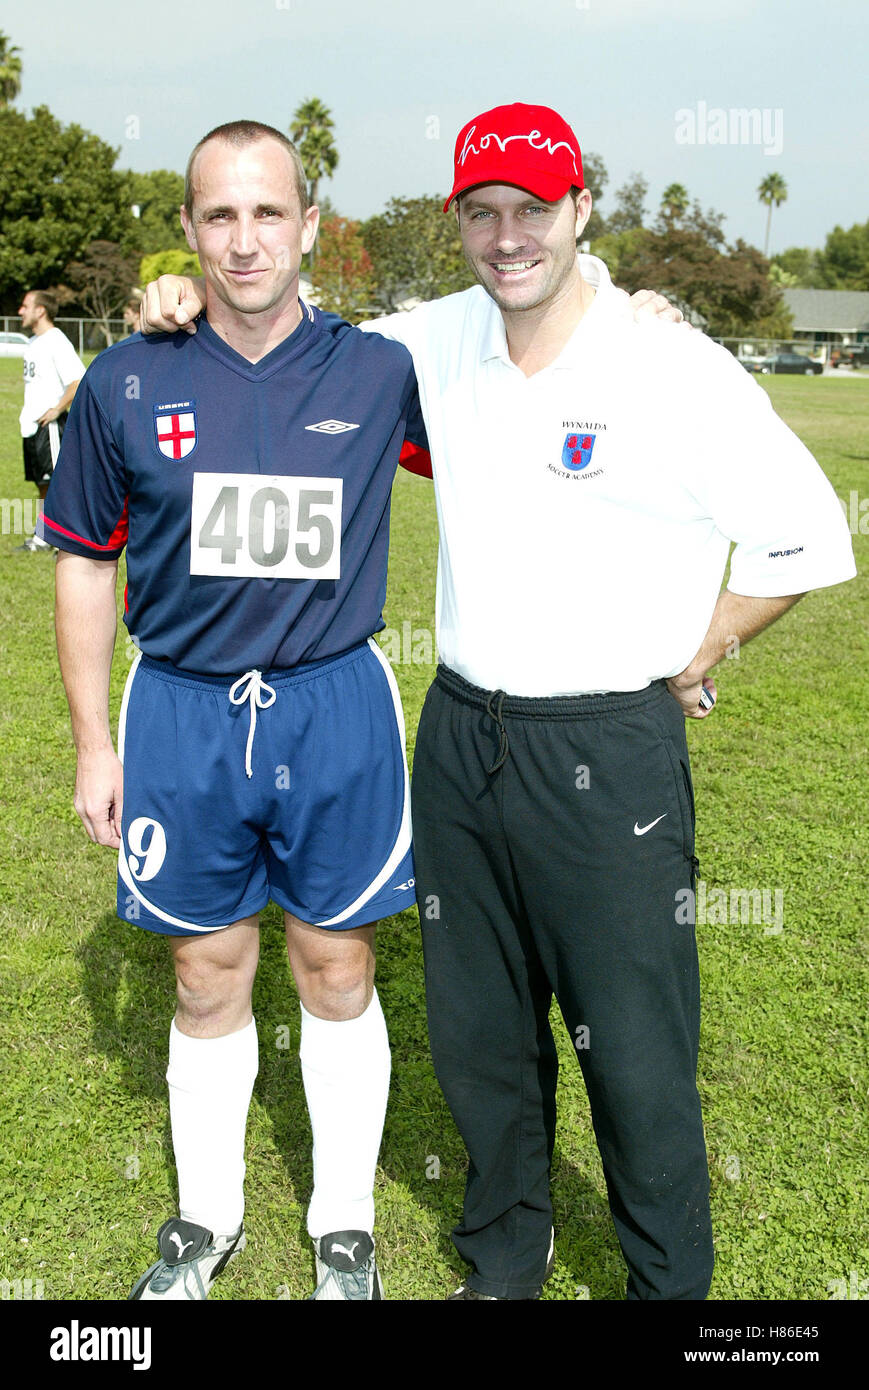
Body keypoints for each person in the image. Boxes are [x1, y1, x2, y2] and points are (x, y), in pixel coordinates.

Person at [143, 102, 857, 1303]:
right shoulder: (428, 340)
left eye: (535, 207)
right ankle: (501, 1263)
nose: (509, 234)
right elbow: (280, 326)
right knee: (480, 1038)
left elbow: (805, 536)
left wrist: (707, 641)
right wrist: (177, 297)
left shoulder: (665, 360)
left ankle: (667, 1286)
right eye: (484, 211)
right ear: (460, 223)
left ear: (580, 209)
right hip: (462, 734)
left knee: (631, 1049)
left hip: (607, 745)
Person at [39, 119, 429, 1301]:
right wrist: (94, 739)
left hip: (334, 707)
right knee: (205, 972)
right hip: (183, 712)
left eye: (269, 213)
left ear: (310, 225)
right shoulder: (125, 378)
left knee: (335, 967)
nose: (245, 239)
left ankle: (344, 1228)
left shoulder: (380, 372)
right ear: (190, 228)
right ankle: (203, 1222)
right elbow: (80, 560)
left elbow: (533, 419)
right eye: (220, 215)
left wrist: (633, 316)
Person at [14, 289, 84, 553]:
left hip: (49, 426)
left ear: (40, 310)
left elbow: (78, 381)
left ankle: (66, 536)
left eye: (25, 306)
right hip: (31, 424)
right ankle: (44, 536)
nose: (20, 311)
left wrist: (56, 410)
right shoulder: (33, 343)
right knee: (42, 482)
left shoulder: (56, 341)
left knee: (57, 482)